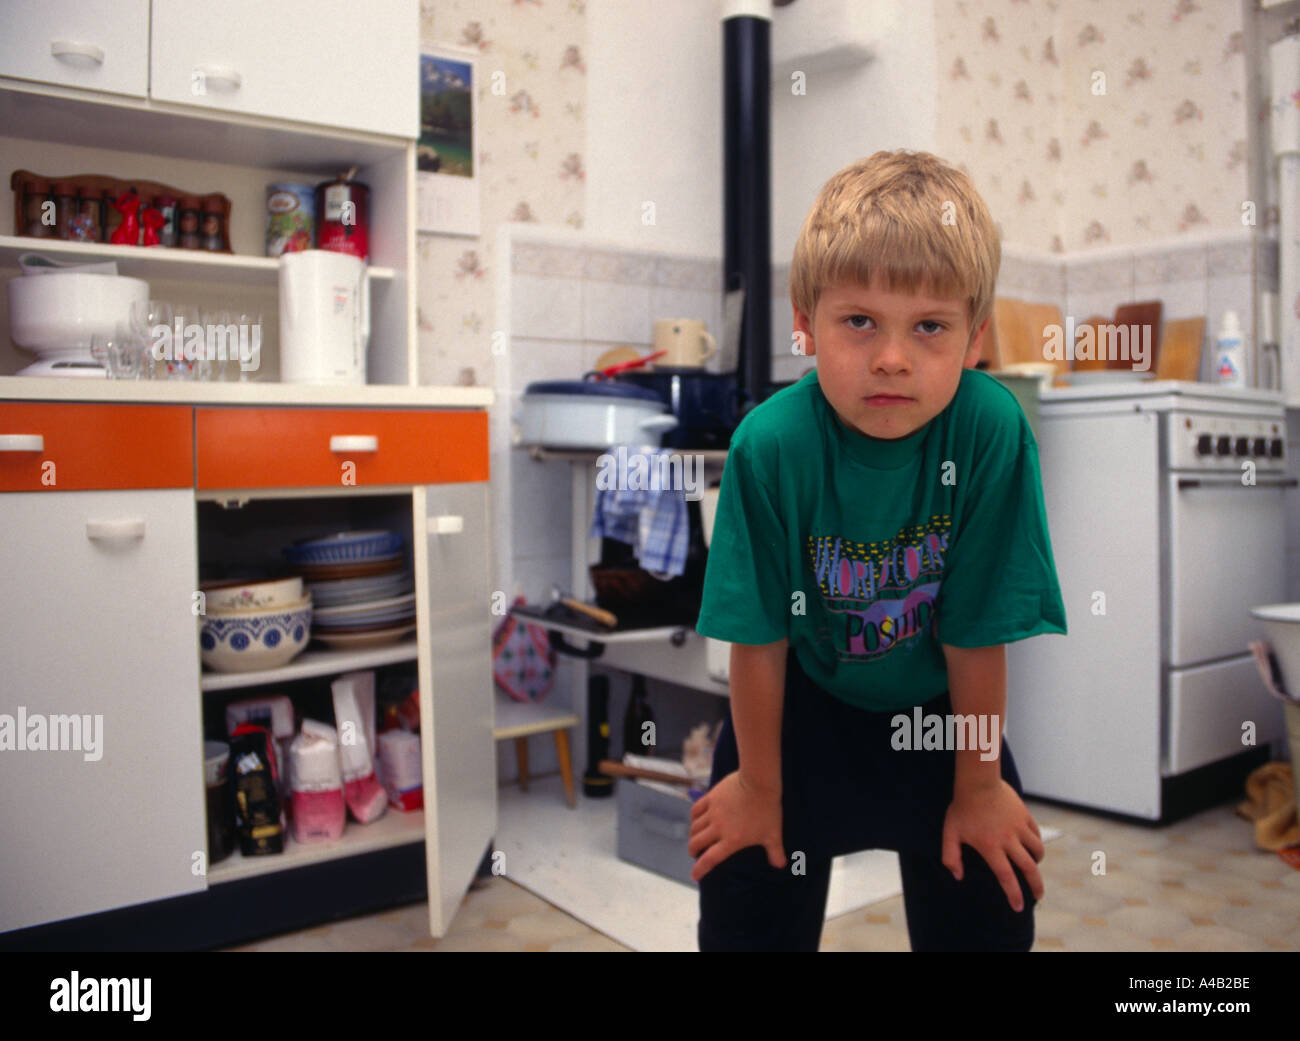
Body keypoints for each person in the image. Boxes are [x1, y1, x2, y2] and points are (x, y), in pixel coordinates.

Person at [689, 149, 1068, 952]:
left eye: (928, 326)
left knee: (992, 894)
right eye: (859, 320)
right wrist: (758, 785)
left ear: (974, 337)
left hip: (939, 716)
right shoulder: (770, 445)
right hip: (798, 710)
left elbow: (976, 631)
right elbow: (756, 638)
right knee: (743, 897)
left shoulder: (992, 431)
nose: (892, 357)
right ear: (805, 319)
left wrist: (978, 786)